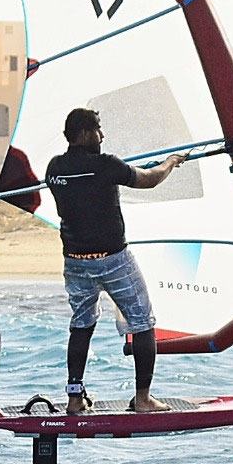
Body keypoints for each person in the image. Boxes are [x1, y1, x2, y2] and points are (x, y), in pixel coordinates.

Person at [43, 107, 186, 415]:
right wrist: (171, 163)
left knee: (81, 326)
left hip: (75, 262)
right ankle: (144, 398)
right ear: (83, 134)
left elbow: (85, 186)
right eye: (97, 129)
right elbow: (149, 180)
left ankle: (73, 398)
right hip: (112, 260)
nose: (102, 135)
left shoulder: (54, 168)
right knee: (143, 324)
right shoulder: (106, 165)